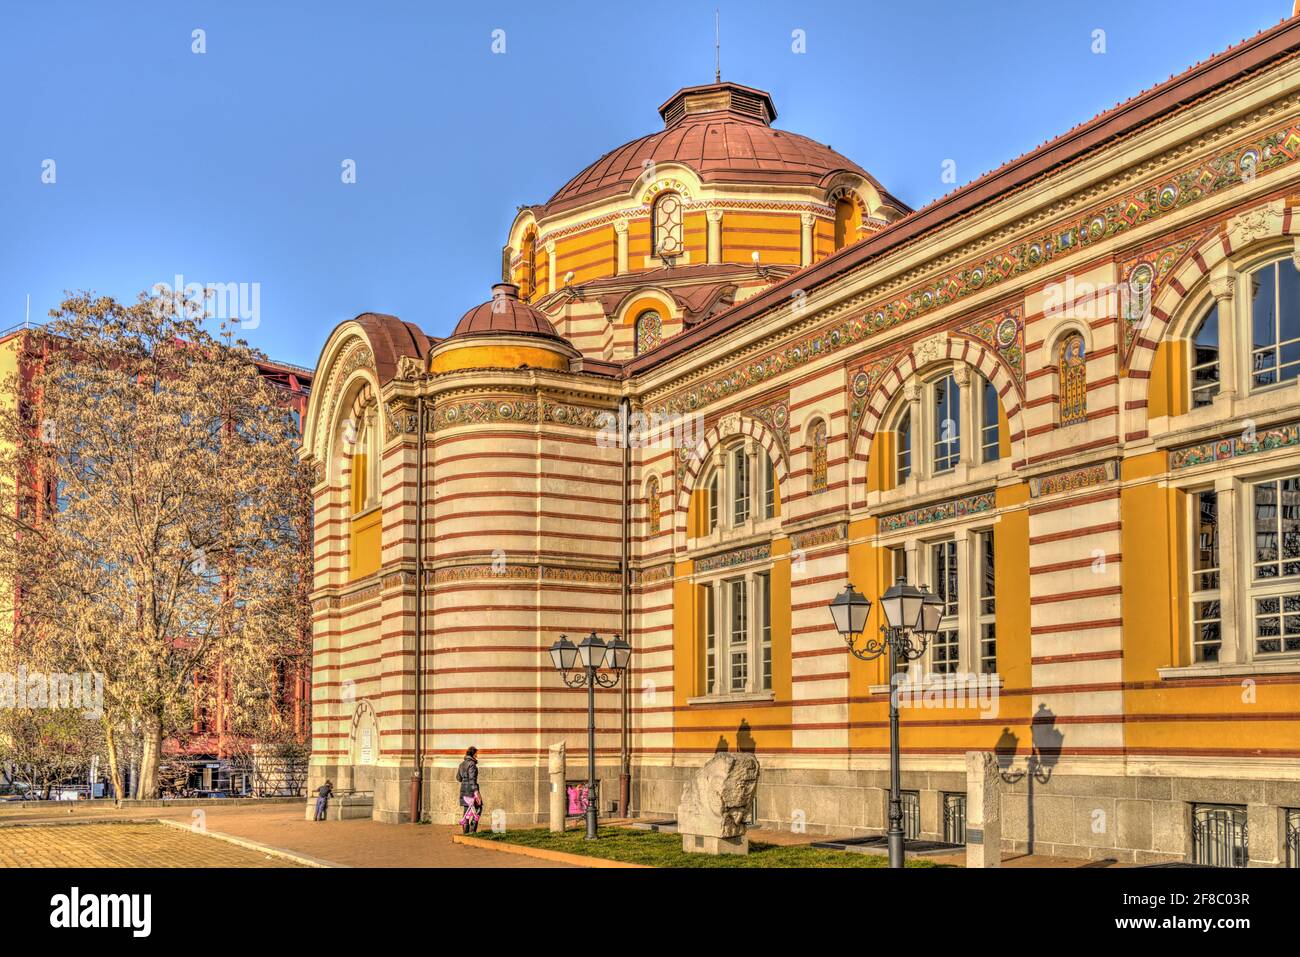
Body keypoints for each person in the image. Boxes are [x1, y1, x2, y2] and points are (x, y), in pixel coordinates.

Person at [455, 747, 481, 834]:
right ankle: (472, 831)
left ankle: (465, 832)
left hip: (463, 789)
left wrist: (464, 780)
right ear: (473, 754)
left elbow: (458, 778)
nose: (477, 755)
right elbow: (472, 779)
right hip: (471, 790)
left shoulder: (461, 764)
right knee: (478, 808)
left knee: (466, 810)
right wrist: (476, 792)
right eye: (476, 753)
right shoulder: (472, 764)